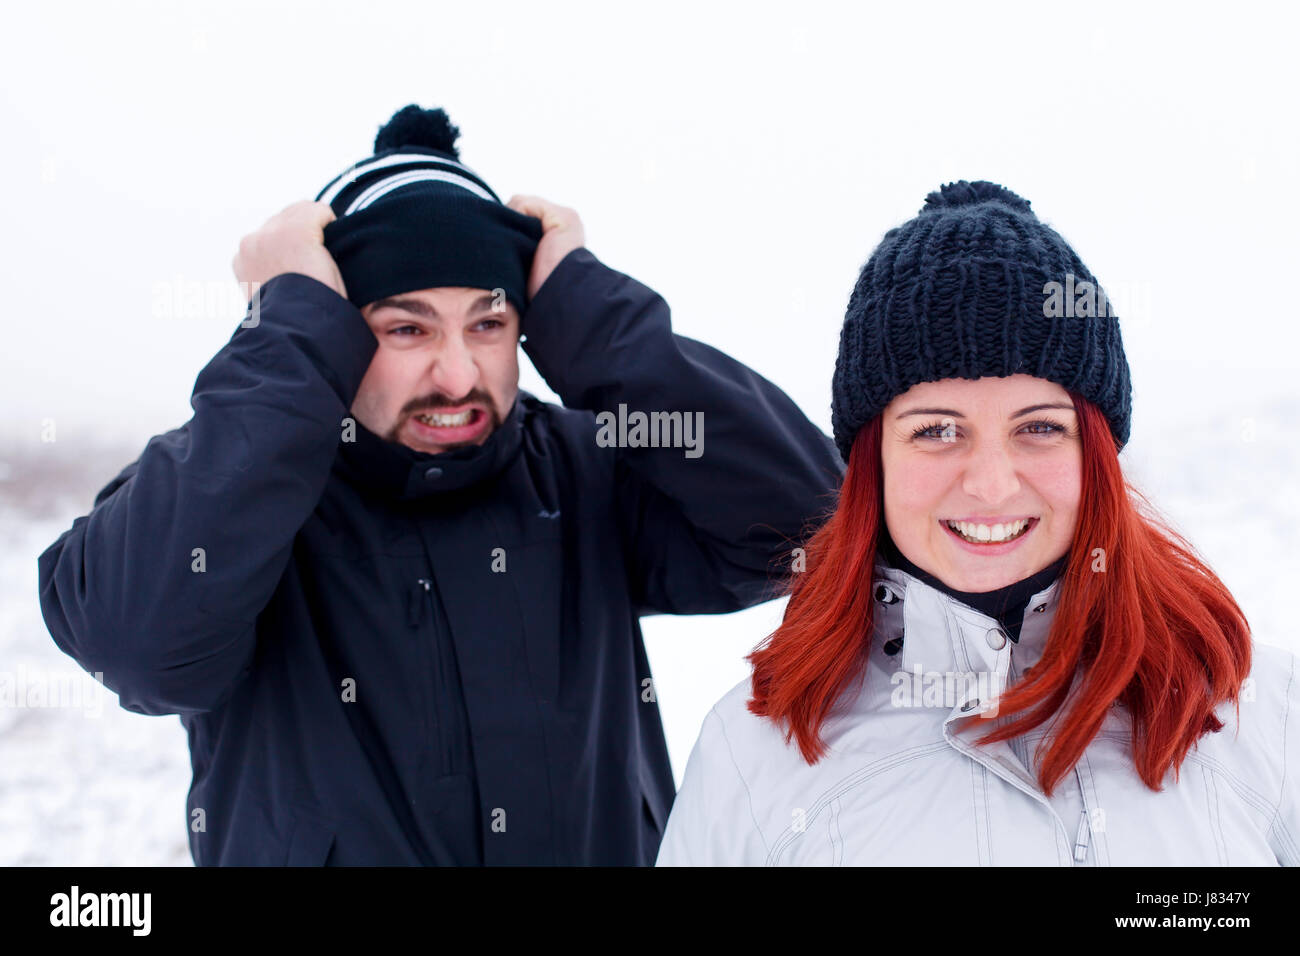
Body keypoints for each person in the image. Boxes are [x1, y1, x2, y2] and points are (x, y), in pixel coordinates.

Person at [37, 104, 843, 866]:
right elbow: (141, 644)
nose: (458, 374)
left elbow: (811, 527)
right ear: (327, 325)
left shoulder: (586, 470)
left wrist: (590, 314)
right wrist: (282, 335)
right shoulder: (230, 492)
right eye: (405, 328)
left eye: (490, 323)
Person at [656, 180, 1298, 866]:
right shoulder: (752, 752)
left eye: (1041, 428)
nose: (991, 482)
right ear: (874, 460)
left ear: (1099, 456)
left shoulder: (1265, 714)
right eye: (936, 430)